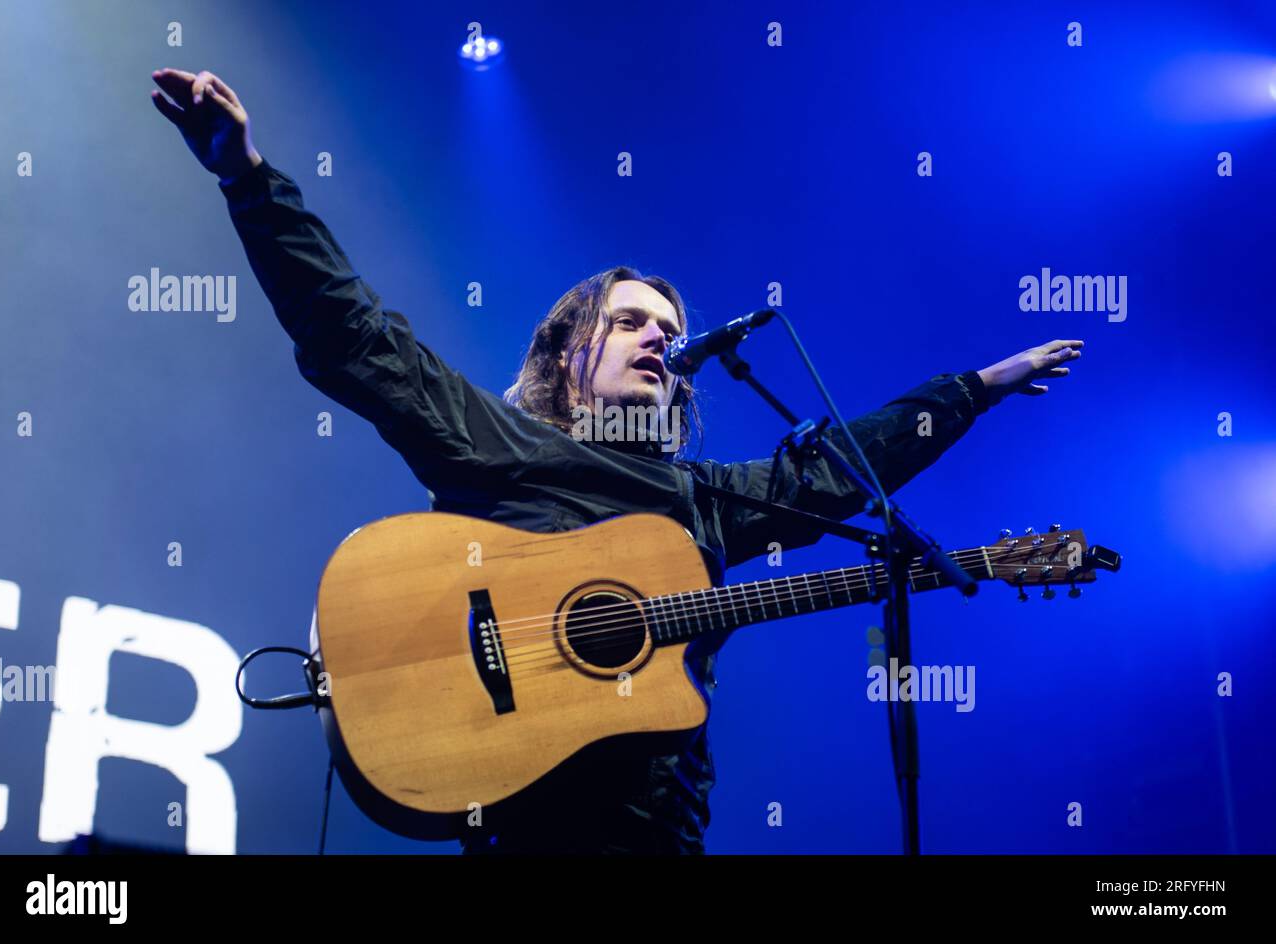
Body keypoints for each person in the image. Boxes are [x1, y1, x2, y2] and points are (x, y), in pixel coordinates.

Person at [151, 67, 1084, 854]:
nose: (657, 339)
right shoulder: (499, 441)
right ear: (568, 352)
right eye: (630, 320)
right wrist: (249, 178)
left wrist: (973, 387)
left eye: (670, 332)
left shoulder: (701, 500)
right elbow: (358, 339)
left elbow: (832, 472)